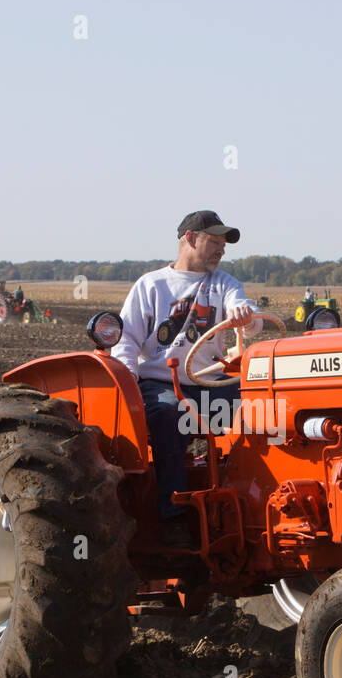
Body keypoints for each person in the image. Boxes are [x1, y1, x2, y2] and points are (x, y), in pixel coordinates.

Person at [112, 210, 261, 548]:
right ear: (190, 239)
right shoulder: (152, 285)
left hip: (212, 383)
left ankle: (247, 500)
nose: (220, 250)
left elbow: (248, 318)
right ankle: (174, 516)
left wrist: (245, 315)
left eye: (224, 245)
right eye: (214, 242)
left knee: (262, 412)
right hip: (162, 383)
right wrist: (129, 383)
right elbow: (127, 339)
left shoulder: (224, 284)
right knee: (167, 416)